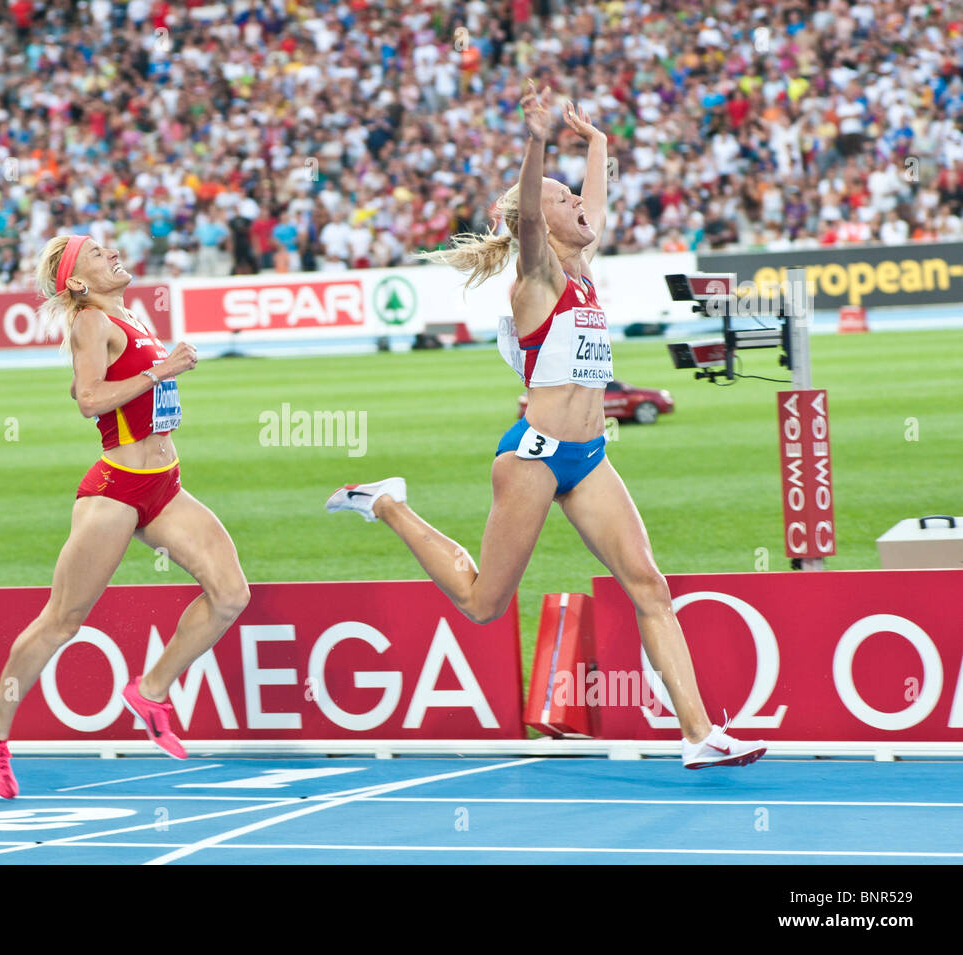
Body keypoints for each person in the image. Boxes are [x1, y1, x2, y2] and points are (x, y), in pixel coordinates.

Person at [326, 82, 766, 770]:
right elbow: (532, 214)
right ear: (544, 218)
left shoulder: (583, 264)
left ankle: (699, 733)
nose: (580, 207)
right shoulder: (535, 275)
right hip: (532, 456)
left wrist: (596, 142)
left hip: (589, 454)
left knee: (648, 582)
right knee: (483, 603)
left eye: (576, 198)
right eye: (567, 201)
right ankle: (387, 503)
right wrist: (535, 142)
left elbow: (591, 204)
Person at [0, 234, 250, 798]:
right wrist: (162, 370)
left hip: (164, 485)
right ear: (76, 282)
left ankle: (150, 691)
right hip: (114, 491)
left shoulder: (130, 316)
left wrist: (156, 373)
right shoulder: (89, 322)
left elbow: (108, 387)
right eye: (96, 253)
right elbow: (90, 400)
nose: (112, 253)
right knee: (62, 621)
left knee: (230, 594)